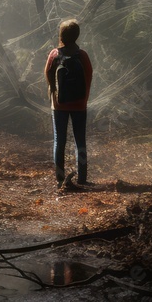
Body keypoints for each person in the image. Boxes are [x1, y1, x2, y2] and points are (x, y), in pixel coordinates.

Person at [44, 18, 93, 187]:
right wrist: (83, 99)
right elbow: (88, 78)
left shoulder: (55, 54)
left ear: (62, 35)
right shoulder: (83, 55)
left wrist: (54, 95)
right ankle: (82, 178)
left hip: (58, 105)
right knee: (80, 141)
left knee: (60, 140)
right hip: (80, 104)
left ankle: (59, 179)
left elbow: (49, 76)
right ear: (77, 35)